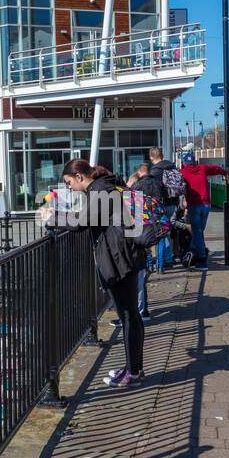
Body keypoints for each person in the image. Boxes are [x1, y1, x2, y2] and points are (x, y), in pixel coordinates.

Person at [61, 159, 146, 388]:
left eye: (69, 183)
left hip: (120, 259)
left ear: (79, 177)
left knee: (128, 315)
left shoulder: (99, 189)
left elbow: (81, 222)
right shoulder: (106, 185)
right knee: (131, 315)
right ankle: (134, 368)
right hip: (125, 255)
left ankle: (133, 373)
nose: (70, 188)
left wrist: (53, 218)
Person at [179, 150, 226, 267]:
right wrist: (225, 173)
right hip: (206, 205)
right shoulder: (202, 169)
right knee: (199, 232)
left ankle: (202, 259)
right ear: (194, 162)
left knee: (197, 232)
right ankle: (193, 253)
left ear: (184, 163)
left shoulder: (182, 172)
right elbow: (216, 169)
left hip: (193, 205)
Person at [128, 164, 163, 320]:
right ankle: (143, 310)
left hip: (140, 234)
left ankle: (139, 311)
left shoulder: (137, 188)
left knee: (138, 278)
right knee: (141, 276)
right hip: (153, 229)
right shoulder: (157, 183)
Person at [148, 146, 183, 270]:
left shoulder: (154, 172)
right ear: (162, 156)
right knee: (169, 231)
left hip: (160, 205)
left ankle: (164, 260)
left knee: (162, 233)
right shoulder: (172, 167)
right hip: (173, 203)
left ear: (151, 158)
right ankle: (168, 258)